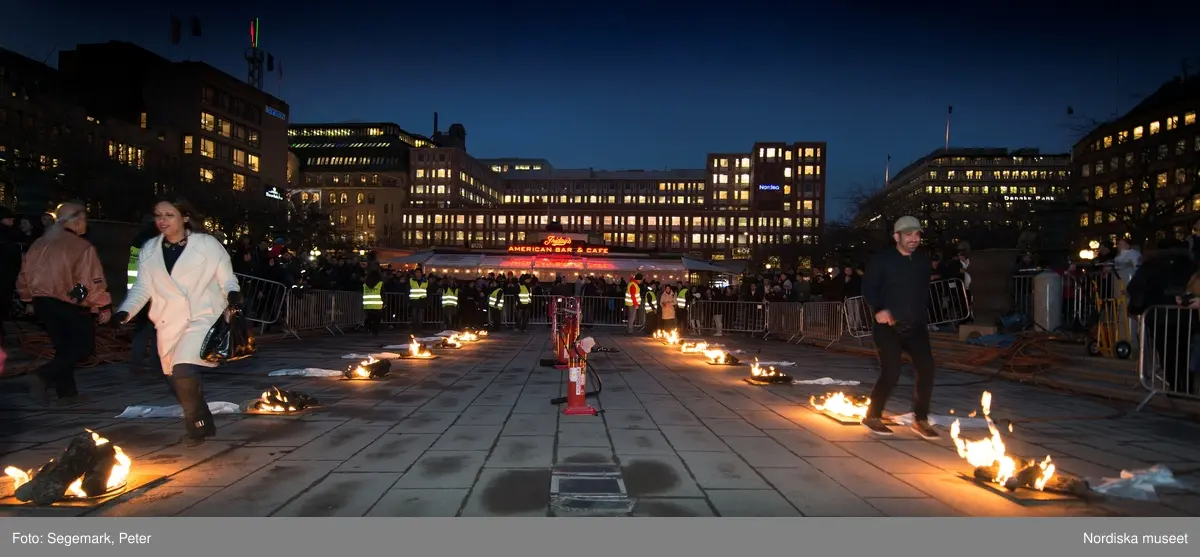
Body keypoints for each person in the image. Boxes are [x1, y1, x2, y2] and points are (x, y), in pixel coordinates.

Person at [115, 199, 241, 447]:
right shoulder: (149, 249)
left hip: (203, 315)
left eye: (169, 215)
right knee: (174, 377)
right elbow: (142, 287)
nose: (162, 220)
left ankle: (195, 426)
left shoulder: (206, 244)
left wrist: (233, 295)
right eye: (158, 215)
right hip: (168, 320)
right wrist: (125, 312)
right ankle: (204, 419)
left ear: (184, 217)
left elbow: (227, 277)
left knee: (183, 367)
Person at [16, 202, 112, 406]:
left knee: (64, 347)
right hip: (69, 303)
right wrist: (100, 305)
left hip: (42, 303)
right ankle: (42, 375)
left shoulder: (39, 244)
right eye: (85, 218)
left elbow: (23, 275)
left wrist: (27, 300)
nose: (86, 222)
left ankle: (67, 394)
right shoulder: (81, 246)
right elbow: (90, 280)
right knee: (84, 346)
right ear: (76, 220)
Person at [859, 216, 939, 439]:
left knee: (927, 368)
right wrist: (880, 309)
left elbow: (922, 292)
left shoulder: (922, 262)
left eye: (917, 235)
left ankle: (920, 418)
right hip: (888, 327)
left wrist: (920, 316)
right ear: (897, 236)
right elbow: (869, 288)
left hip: (915, 326)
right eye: (908, 235)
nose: (914, 239)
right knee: (892, 371)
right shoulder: (882, 260)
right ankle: (873, 415)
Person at [127, 217, 163, 376]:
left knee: (141, 330)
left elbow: (132, 269)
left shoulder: (137, 241)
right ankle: (156, 366)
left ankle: (136, 364)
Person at [362, 269, 384, 336]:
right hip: (377, 305)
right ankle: (375, 331)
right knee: (377, 319)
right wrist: (384, 302)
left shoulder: (365, 284)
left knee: (369, 318)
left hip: (367, 304)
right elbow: (382, 294)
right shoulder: (380, 284)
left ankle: (369, 329)